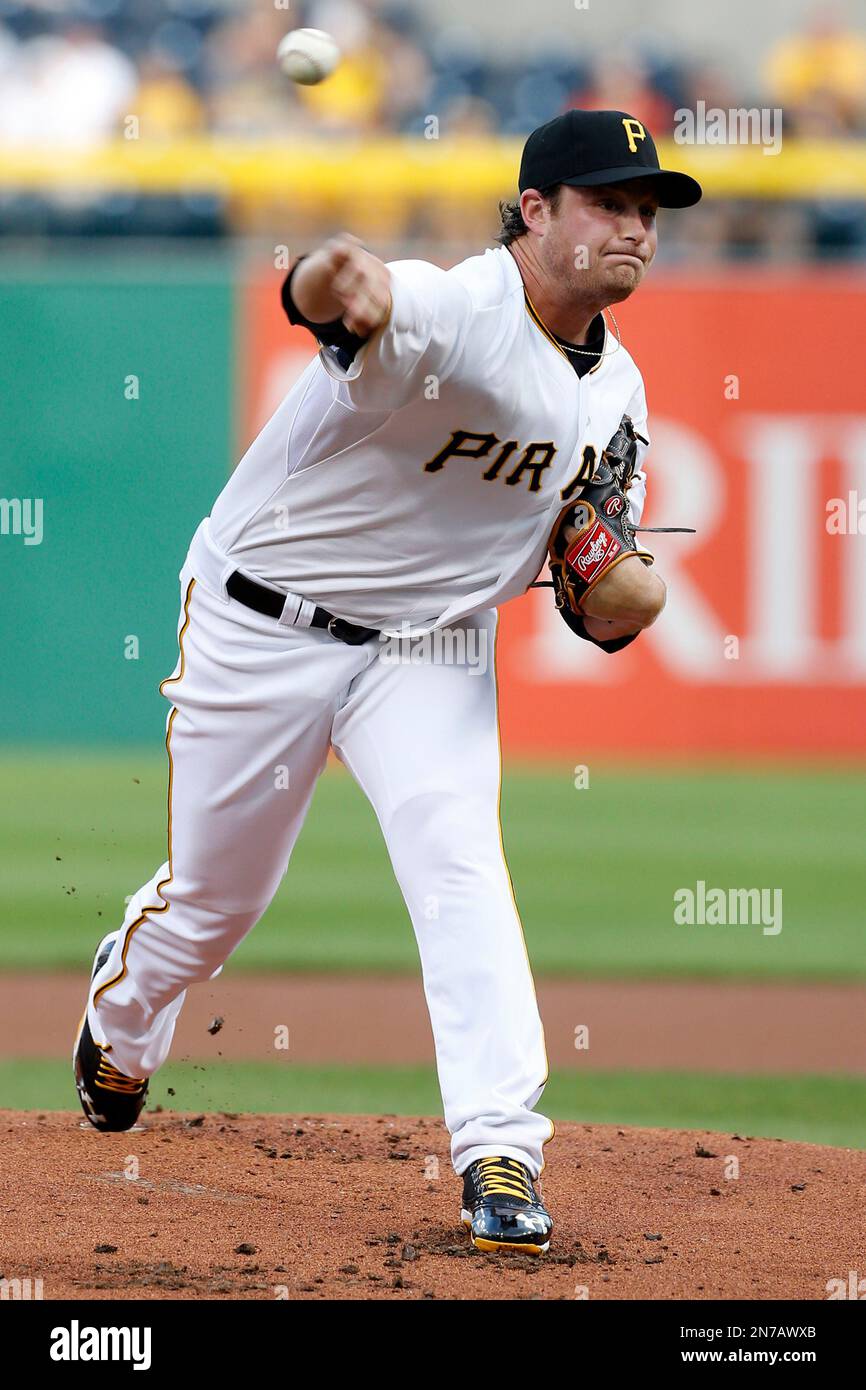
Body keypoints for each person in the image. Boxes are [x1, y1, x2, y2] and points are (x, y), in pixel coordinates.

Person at [74, 109, 700, 1256]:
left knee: (456, 857)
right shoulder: (452, 309)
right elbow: (343, 298)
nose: (634, 229)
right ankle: (123, 1010)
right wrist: (329, 276)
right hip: (263, 620)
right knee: (215, 905)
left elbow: (595, 579)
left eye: (647, 212)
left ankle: (497, 1149)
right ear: (533, 212)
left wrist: (610, 586)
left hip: (429, 648)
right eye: (608, 204)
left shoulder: (619, 395)